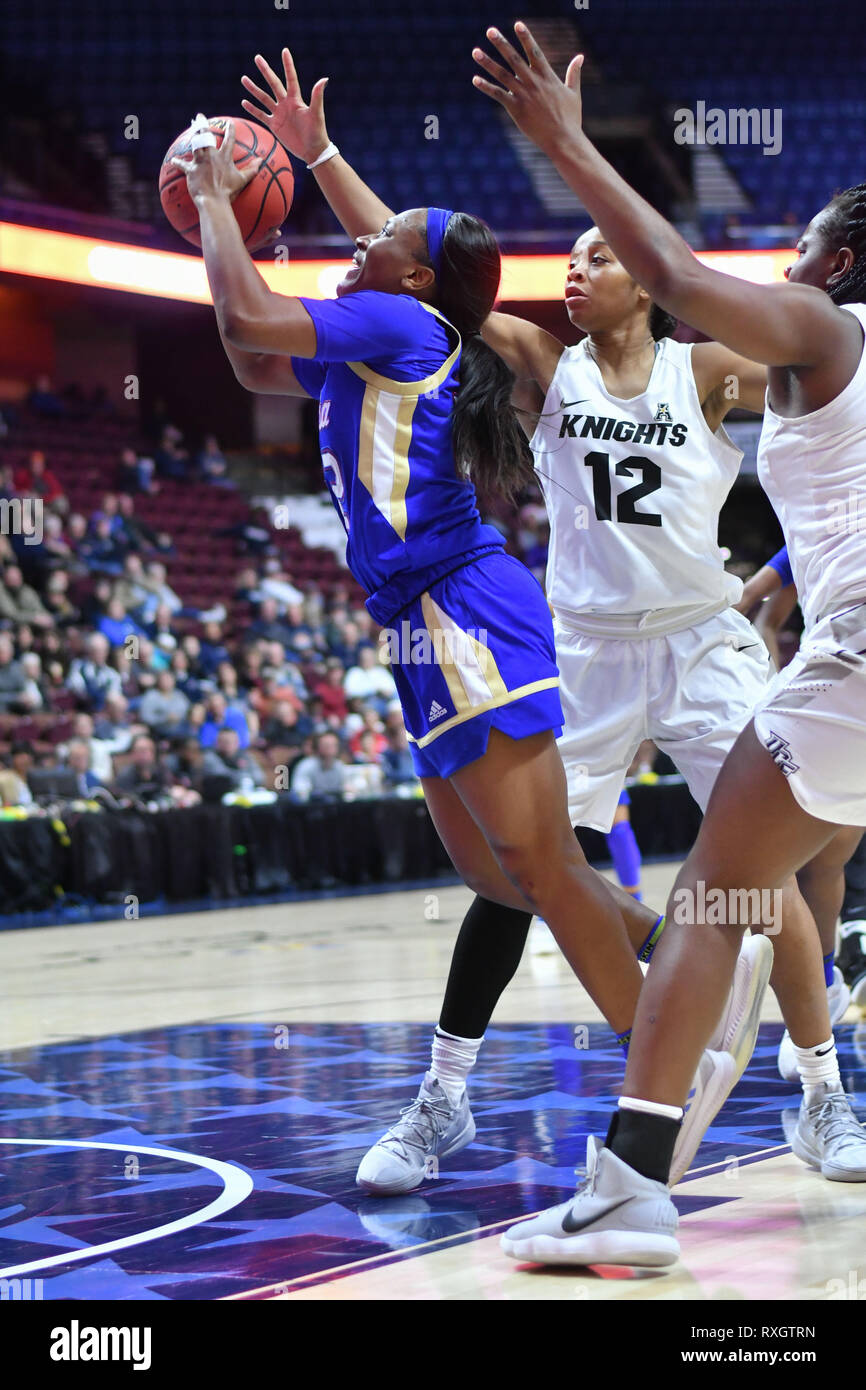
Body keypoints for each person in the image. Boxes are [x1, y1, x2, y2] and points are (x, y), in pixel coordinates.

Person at [173, 44, 772, 1180]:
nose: (363, 241)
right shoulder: (374, 334)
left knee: (542, 866)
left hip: (470, 610)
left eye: (383, 240)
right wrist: (240, 232)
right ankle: (667, 950)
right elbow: (250, 349)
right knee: (501, 878)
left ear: (410, 276)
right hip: (420, 622)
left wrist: (215, 206)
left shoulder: (405, 328)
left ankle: (664, 1064)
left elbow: (253, 305)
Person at [471, 21, 866, 1267]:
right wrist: (776, 579)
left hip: (831, 672)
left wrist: (571, 148)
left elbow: (683, 278)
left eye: (802, 248)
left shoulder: (816, 329)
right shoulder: (562, 364)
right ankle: (801, 1098)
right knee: (771, 883)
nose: (788, 262)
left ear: (837, 262)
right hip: (634, 639)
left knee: (709, 897)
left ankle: (635, 1186)